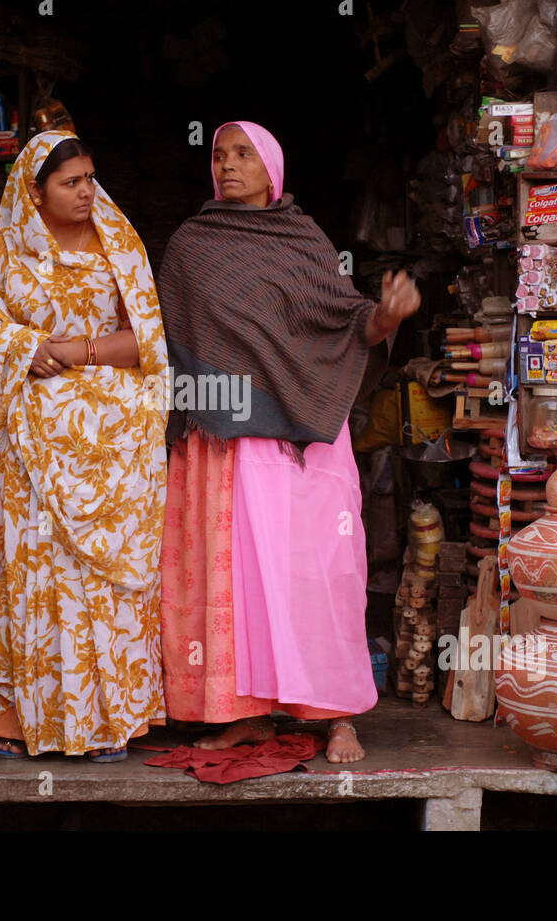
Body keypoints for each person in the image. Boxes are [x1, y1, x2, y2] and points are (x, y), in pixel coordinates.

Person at [156, 121, 421, 764]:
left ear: (273, 166)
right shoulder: (192, 246)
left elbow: (344, 319)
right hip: (224, 444)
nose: (228, 165)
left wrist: (382, 318)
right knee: (233, 585)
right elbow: (172, 344)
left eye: (244, 154)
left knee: (318, 577)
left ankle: (336, 715)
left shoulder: (305, 239)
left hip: (303, 442)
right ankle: (242, 714)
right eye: (219, 155)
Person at [0, 131, 169, 761]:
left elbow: (149, 344)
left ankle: (112, 721)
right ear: (35, 192)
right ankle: (19, 722)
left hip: (113, 444)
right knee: (35, 574)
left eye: (90, 177)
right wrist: (23, 349)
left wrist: (66, 352)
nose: (87, 192)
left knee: (101, 582)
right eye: (71, 182)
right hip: (28, 447)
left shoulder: (120, 243)